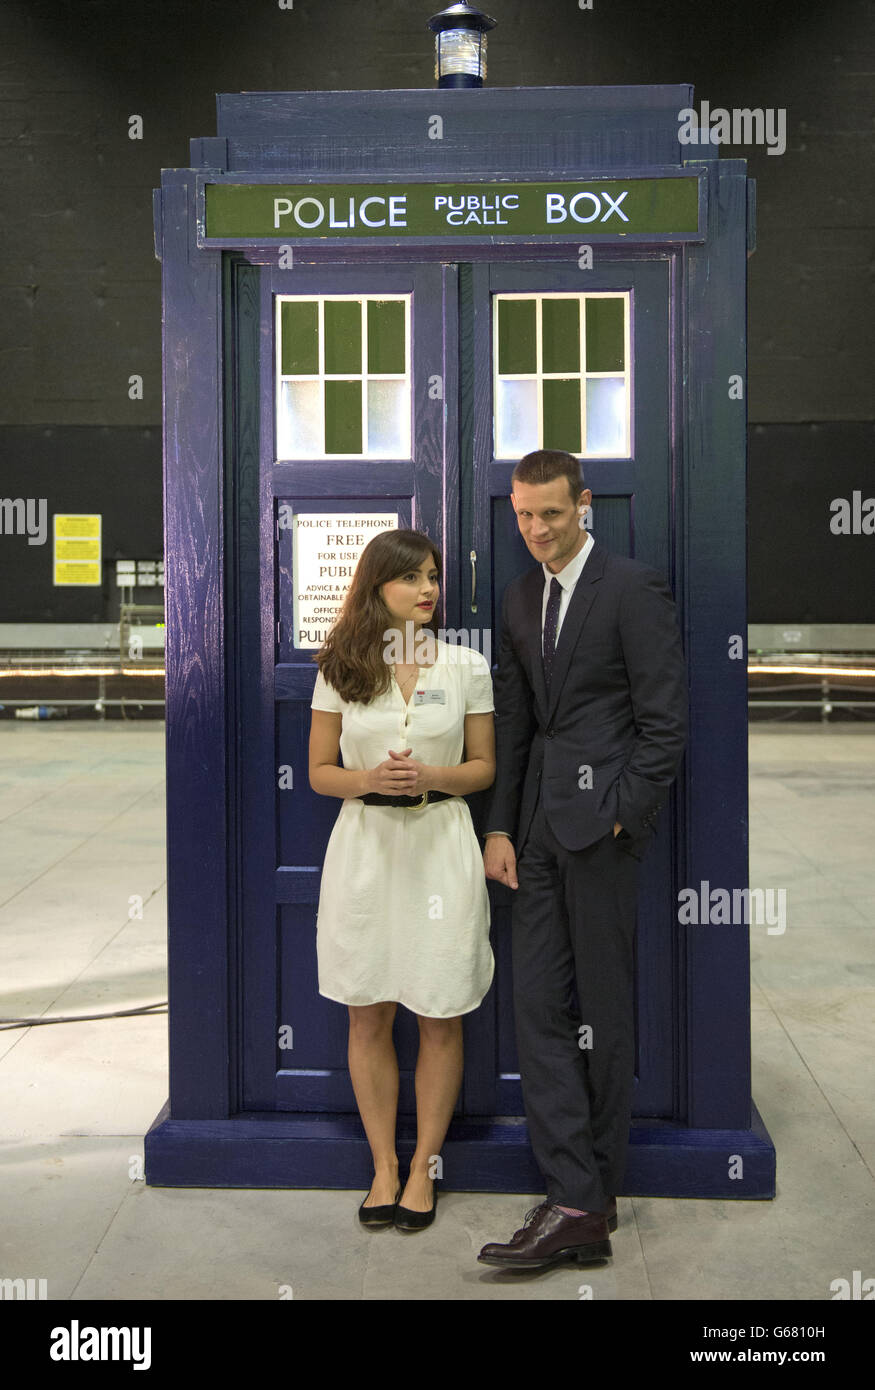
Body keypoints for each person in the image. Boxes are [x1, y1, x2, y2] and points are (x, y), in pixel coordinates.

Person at [479, 449, 688, 1272]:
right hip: (532, 838)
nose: (535, 531)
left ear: (584, 504)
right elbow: (519, 726)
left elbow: (664, 724)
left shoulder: (632, 589)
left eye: (551, 515)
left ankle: (589, 1200)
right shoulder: (518, 596)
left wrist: (618, 817)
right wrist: (499, 830)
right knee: (536, 1010)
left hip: (599, 838)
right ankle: (575, 1195)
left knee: (603, 1014)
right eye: (524, 516)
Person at [308, 527, 496, 1232]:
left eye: (433, 577)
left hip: (441, 843)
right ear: (376, 586)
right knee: (367, 1008)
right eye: (412, 578)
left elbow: (484, 767)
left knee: (440, 1008)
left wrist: (432, 775)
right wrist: (368, 779)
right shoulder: (339, 667)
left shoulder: (465, 666)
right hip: (365, 850)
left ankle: (425, 1168)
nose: (427, 591)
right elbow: (320, 771)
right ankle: (383, 1165)